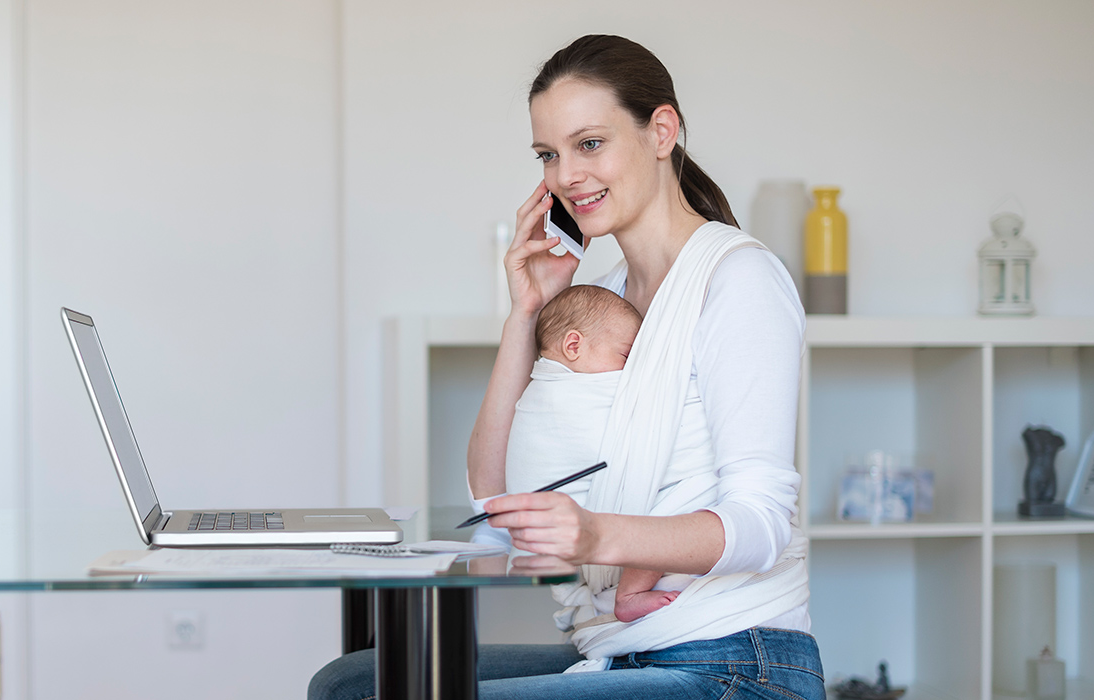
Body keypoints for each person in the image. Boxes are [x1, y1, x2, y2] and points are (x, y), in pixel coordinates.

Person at [310, 34, 823, 700]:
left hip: (733, 660)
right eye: (549, 155)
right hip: (619, 646)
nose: (566, 176)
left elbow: (761, 526)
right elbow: (493, 498)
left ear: (661, 131)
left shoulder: (739, 280)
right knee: (352, 683)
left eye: (590, 144)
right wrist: (527, 313)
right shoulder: (601, 303)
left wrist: (594, 534)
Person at [512, 283, 678, 623]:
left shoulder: (534, 392)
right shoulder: (575, 393)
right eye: (627, 357)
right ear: (574, 346)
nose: (633, 372)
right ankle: (630, 593)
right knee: (677, 501)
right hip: (573, 533)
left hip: (546, 540)